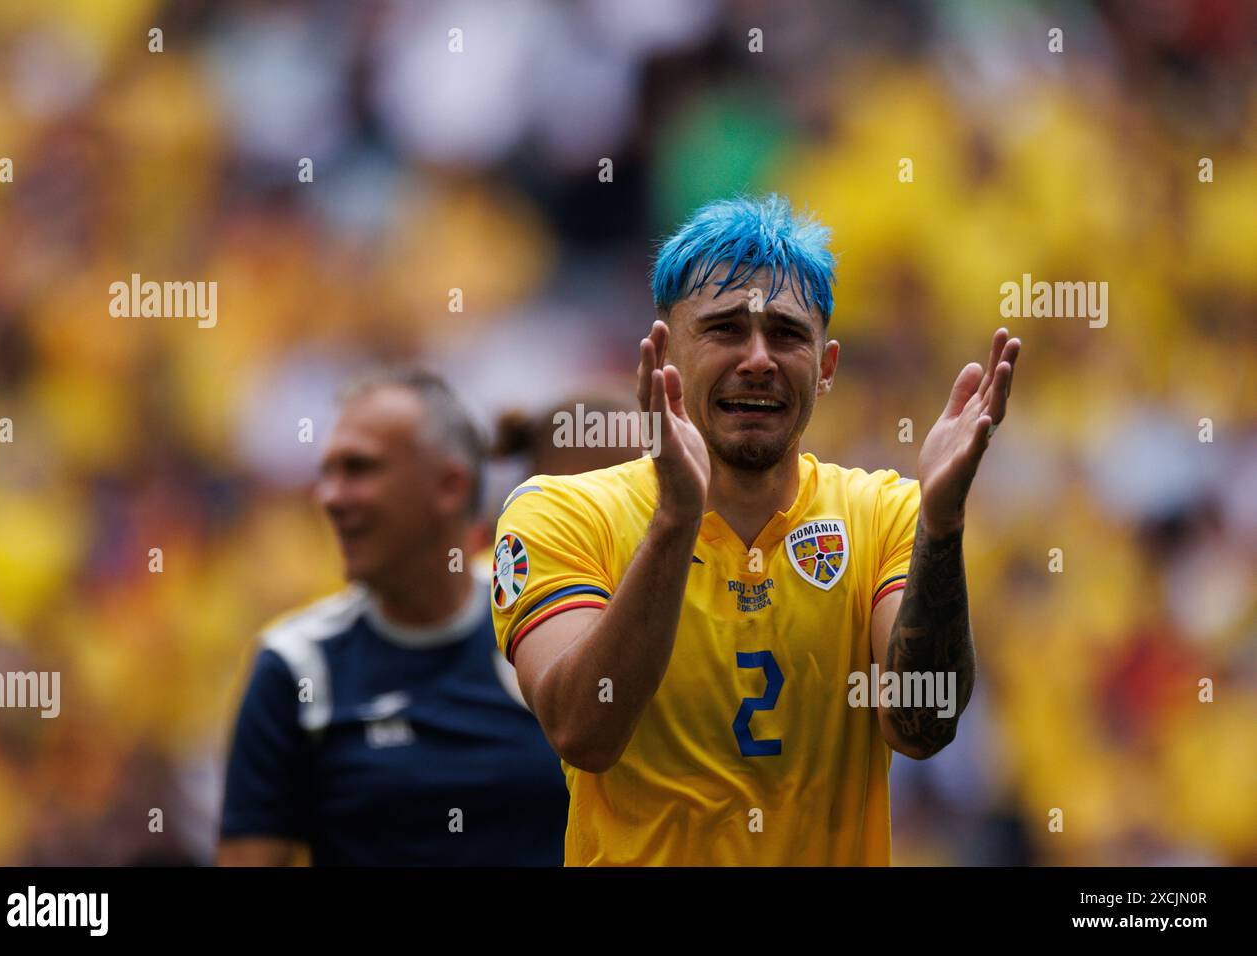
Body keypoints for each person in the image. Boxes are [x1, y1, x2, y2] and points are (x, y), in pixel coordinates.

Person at [489, 194, 1021, 865]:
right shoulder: (561, 515)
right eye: (725, 330)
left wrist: (943, 527)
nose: (760, 359)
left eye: (789, 336)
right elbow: (583, 730)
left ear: (825, 368)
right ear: (661, 356)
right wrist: (675, 522)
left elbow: (923, 726)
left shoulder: (888, 514)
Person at [219, 367, 568, 865]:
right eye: (328, 472)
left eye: (358, 469)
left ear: (449, 487)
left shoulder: (545, 624)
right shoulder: (296, 666)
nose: (329, 498)